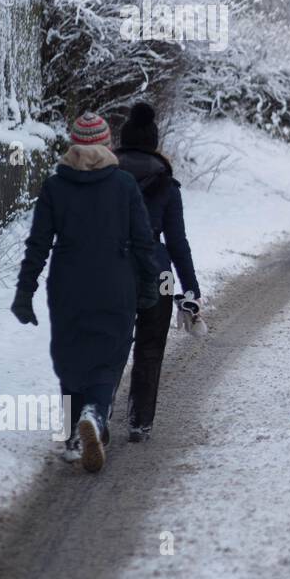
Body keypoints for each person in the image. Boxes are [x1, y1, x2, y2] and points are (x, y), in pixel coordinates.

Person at [12, 112, 159, 473]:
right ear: (107, 145)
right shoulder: (124, 185)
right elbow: (144, 242)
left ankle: (70, 437)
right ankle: (94, 413)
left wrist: (24, 292)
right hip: (115, 283)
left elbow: (37, 245)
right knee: (107, 356)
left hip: (67, 284)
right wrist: (149, 286)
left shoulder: (55, 187)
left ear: (73, 146)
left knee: (70, 354)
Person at [113, 103, 203, 442]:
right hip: (160, 275)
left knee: (112, 342)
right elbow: (178, 244)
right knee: (150, 348)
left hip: (114, 271)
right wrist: (191, 290)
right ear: (153, 143)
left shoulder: (105, 180)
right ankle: (140, 422)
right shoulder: (167, 186)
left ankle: (100, 408)